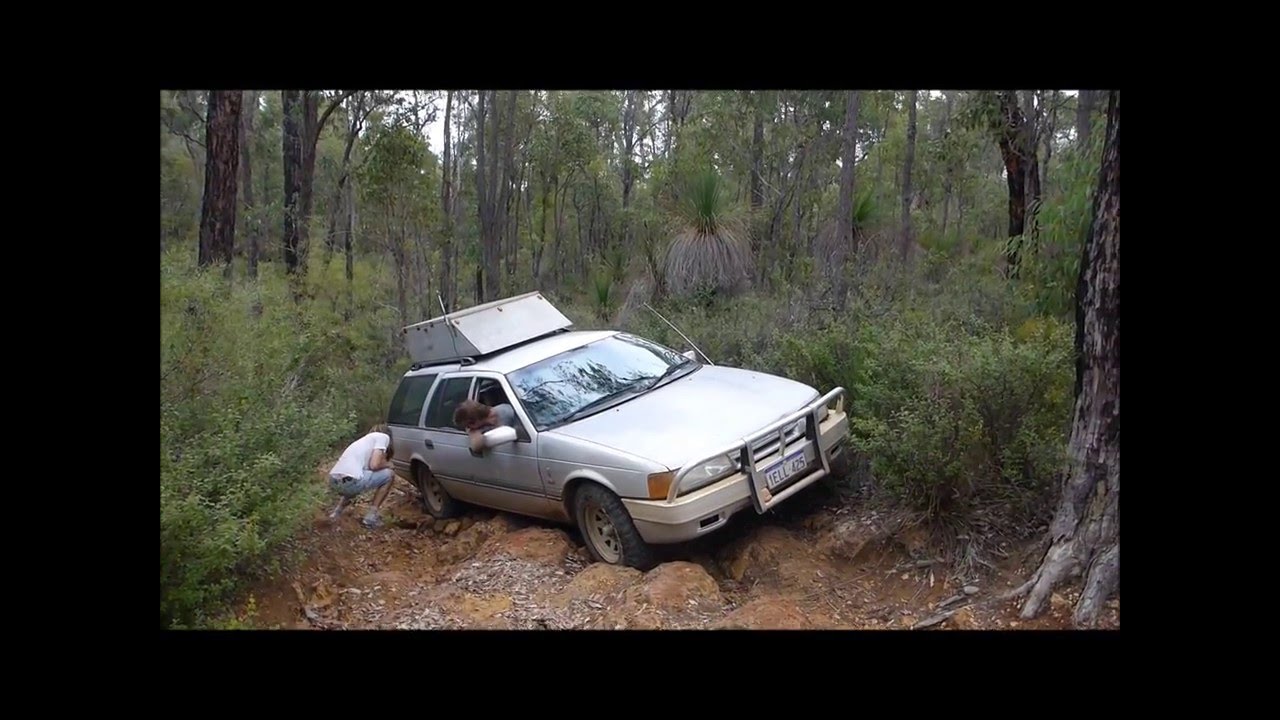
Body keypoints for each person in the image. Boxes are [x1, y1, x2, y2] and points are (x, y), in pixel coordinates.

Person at [327, 424, 398, 528]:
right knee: (389, 475)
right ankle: (371, 517)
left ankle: (336, 513)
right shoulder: (383, 437)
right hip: (351, 483)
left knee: (356, 477)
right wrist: (389, 464)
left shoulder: (363, 442)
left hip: (333, 481)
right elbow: (374, 465)